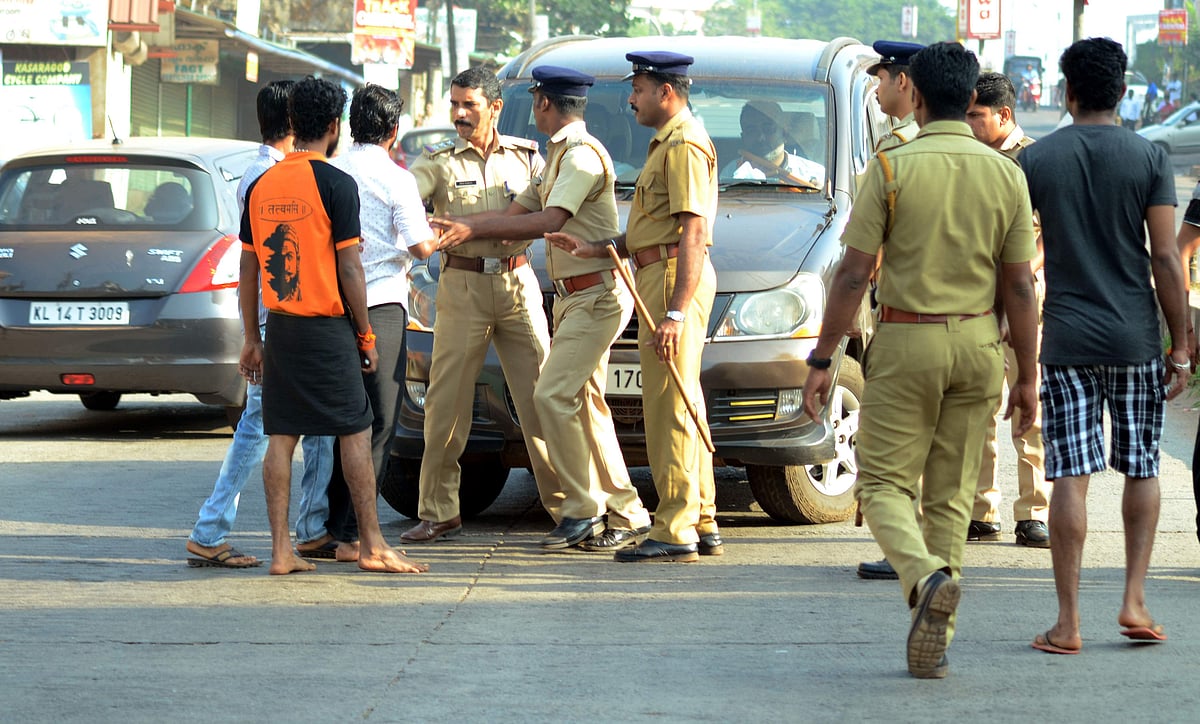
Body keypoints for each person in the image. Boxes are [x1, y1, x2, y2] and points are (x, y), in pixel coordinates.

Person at [801, 42, 1039, 678]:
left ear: (919, 95)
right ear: (970, 100)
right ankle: (934, 631)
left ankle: (925, 576)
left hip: (909, 341)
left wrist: (823, 358)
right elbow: (1020, 286)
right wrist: (1030, 377)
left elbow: (853, 274)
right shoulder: (1006, 173)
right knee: (954, 499)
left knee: (881, 485)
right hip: (982, 346)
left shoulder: (892, 167)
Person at [430, 65, 653, 551]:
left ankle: (582, 510)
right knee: (588, 406)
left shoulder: (581, 157)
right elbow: (514, 217)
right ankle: (628, 511)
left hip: (596, 295)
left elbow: (550, 218)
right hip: (574, 298)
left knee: (550, 395)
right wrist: (467, 231)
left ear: (543, 104)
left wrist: (471, 231)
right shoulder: (554, 156)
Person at [1020, 37, 1190, 655]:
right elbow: (1167, 257)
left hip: (1064, 338)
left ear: (1067, 92)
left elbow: (1015, 260)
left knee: (1070, 472)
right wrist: (1183, 343)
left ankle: (1068, 624)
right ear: (1121, 91)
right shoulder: (1150, 155)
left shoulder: (1036, 160)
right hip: (1135, 337)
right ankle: (1134, 600)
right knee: (1141, 463)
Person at [239, 75, 428, 576]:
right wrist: (365, 334)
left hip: (280, 326)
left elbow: (248, 270)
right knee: (355, 431)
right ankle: (369, 545)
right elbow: (350, 269)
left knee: (281, 437)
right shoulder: (335, 184)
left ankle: (282, 552)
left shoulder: (261, 185)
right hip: (327, 327)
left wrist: (251, 339)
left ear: (293, 122)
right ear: (333, 125)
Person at [548, 50, 722, 563]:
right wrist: (603, 248)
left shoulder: (685, 143)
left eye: (638, 89)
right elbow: (658, 226)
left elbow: (692, 231)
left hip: (672, 279)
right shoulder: (666, 142)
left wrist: (674, 311)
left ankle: (674, 529)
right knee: (683, 399)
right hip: (655, 269)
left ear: (665, 92)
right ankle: (702, 516)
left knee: (670, 406)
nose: (631, 99)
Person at [399, 67, 561, 544]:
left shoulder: (527, 158)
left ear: (495, 107)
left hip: (517, 284)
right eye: (454, 105)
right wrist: (422, 234)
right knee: (445, 404)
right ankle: (439, 510)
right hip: (462, 288)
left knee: (543, 400)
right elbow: (406, 203)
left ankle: (568, 509)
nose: (459, 114)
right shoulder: (439, 162)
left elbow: (550, 211)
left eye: (469, 105)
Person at [185, 79, 334, 569]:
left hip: (274, 320)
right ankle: (210, 529)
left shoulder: (254, 171)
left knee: (299, 427)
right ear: (294, 122)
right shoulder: (274, 178)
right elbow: (261, 260)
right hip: (279, 321)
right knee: (258, 429)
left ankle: (310, 528)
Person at [291, 84, 440, 561]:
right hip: (380, 309)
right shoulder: (398, 179)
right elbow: (420, 247)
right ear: (394, 132)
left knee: (340, 420)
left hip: (331, 308)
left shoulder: (331, 171)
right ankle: (355, 533)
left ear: (351, 126)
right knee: (376, 425)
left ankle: (331, 525)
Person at [963, 71, 1052, 549]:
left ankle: (1034, 511)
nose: (969, 123)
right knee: (978, 403)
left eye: (976, 116)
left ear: (1004, 115)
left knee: (1028, 403)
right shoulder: (967, 155)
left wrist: (1020, 272)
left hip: (1023, 299)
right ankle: (982, 510)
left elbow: (1049, 233)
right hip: (975, 296)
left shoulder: (1035, 159)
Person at [855, 38, 924, 582]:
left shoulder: (903, 146)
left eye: (881, 78)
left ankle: (909, 547)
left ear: (904, 82)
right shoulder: (893, 137)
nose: (876, 87)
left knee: (901, 433)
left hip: (906, 304)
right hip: (907, 302)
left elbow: (870, 249)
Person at [722, 99, 824, 188]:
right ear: (743, 138)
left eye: (768, 129)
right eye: (751, 130)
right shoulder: (729, 175)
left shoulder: (814, 174)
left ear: (784, 134)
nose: (760, 137)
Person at [868, 40, 923, 152]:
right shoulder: (933, 129)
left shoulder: (897, 144)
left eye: (881, 79)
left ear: (901, 81)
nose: (876, 91)